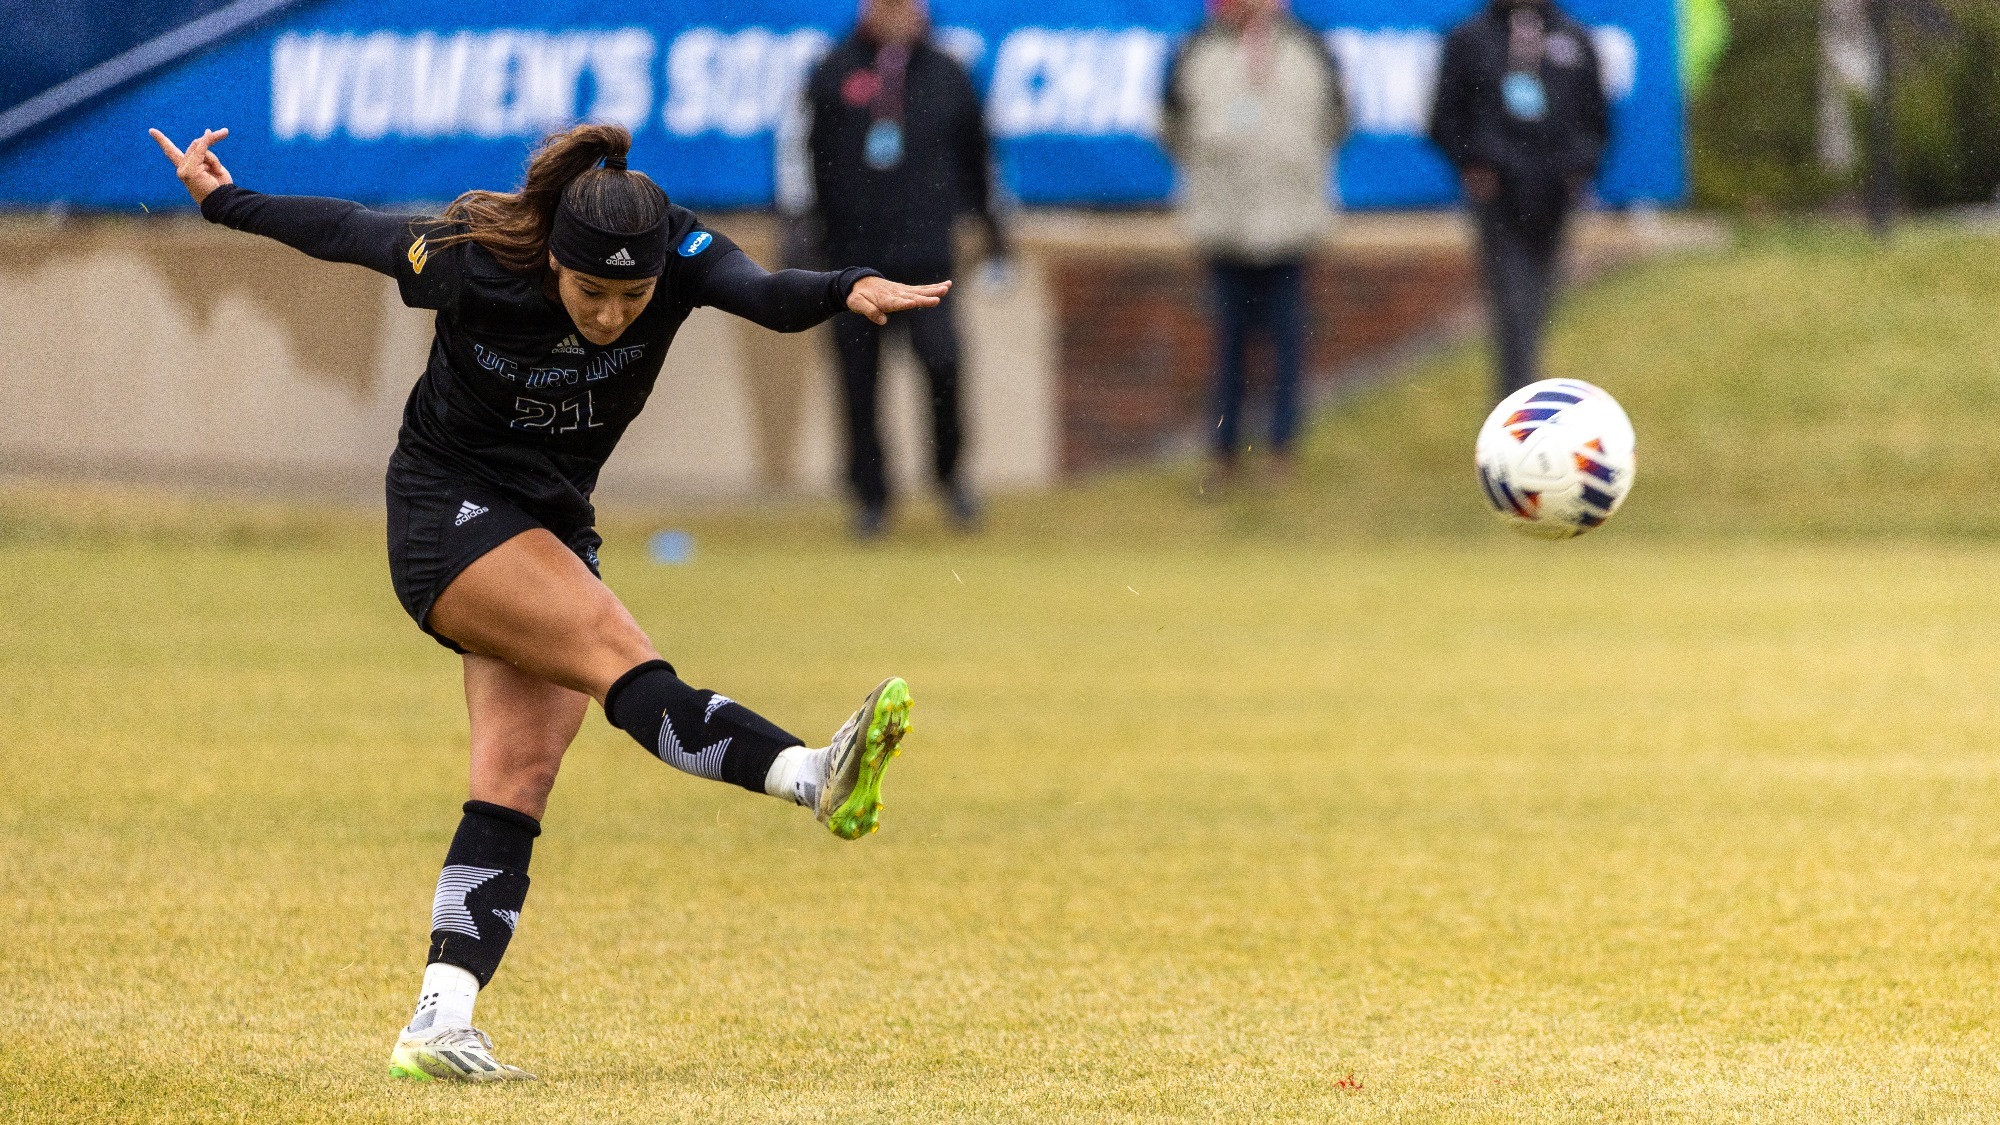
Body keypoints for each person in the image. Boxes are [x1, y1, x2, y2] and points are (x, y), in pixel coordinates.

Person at [149, 122, 947, 1082]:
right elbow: (347, 229)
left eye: (632, 297)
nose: (610, 317)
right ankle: (812, 775)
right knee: (622, 654)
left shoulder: (679, 248)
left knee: (516, 779)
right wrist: (220, 199)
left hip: (552, 522)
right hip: (446, 513)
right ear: (555, 263)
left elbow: (768, 297)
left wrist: (841, 285)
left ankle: (438, 1023)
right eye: (590, 293)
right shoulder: (480, 259)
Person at [803, 0, 1007, 537]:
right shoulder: (834, 69)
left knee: (943, 366)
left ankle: (950, 475)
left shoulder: (947, 73)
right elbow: (806, 161)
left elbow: (978, 159)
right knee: (858, 382)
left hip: (926, 262)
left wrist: (993, 237)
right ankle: (871, 496)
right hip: (852, 263)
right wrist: (807, 242)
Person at [1162, 0, 1346, 492]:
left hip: (1290, 227)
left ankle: (1281, 452)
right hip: (1224, 227)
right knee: (1229, 347)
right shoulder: (1195, 49)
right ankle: (1223, 456)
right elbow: (1171, 125)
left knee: (1288, 345)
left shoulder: (1309, 46)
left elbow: (1337, 120)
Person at [1430, 0, 1609, 400]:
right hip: (1499, 200)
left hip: (1552, 197)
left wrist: (1577, 169)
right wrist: (1474, 163)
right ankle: (1519, 415)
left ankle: (1525, 409)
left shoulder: (1573, 38)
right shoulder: (1470, 38)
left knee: (1537, 305)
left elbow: (1595, 117)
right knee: (1513, 307)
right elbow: (1444, 116)